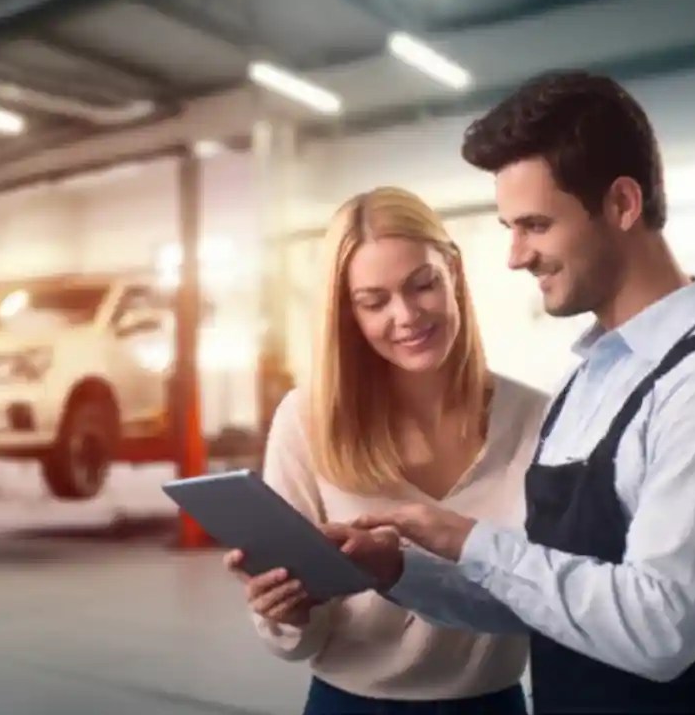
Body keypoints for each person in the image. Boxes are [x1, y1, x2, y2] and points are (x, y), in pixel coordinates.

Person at [334, 70, 695, 715]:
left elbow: (659, 629)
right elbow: (543, 595)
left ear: (622, 205)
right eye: (509, 227)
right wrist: (399, 571)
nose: (515, 255)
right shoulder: (589, 379)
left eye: (534, 225)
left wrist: (466, 537)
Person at [224, 187, 549, 714]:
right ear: (347, 313)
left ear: (454, 272)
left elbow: (555, 595)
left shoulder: (540, 418)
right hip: (351, 704)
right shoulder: (307, 421)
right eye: (374, 302)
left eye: (423, 285)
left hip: (492, 703)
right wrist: (283, 611)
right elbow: (296, 642)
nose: (406, 316)